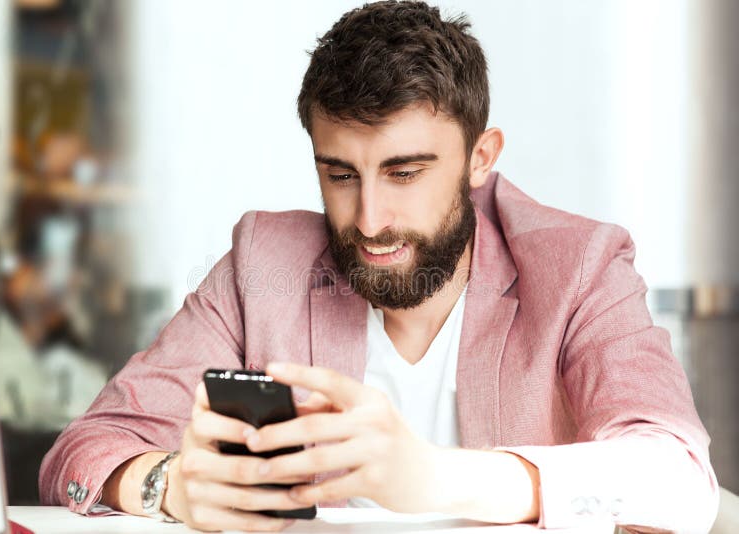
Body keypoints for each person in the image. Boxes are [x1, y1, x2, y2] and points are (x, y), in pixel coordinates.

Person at [39, 1, 719, 532]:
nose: (368, 219)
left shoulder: (578, 267)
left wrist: (432, 478)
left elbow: (681, 479)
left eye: (404, 173)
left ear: (481, 158)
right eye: (340, 175)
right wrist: (172, 485)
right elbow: (85, 450)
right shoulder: (262, 265)